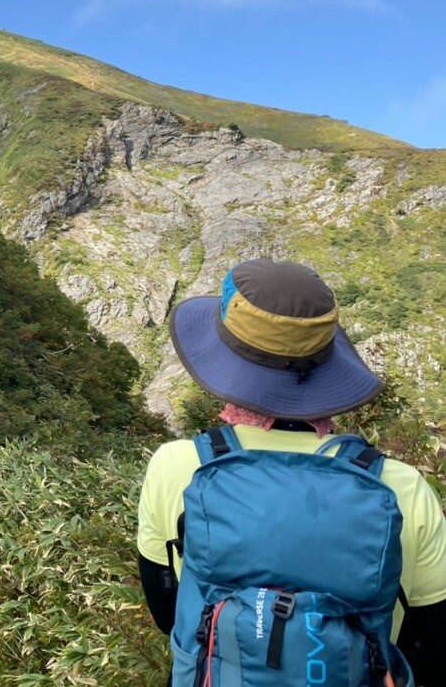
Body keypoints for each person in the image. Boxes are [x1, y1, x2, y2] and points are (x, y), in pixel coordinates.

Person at [138, 259, 446, 685]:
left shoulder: (178, 465)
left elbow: (165, 609)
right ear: (328, 363)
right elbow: (428, 636)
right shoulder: (399, 486)